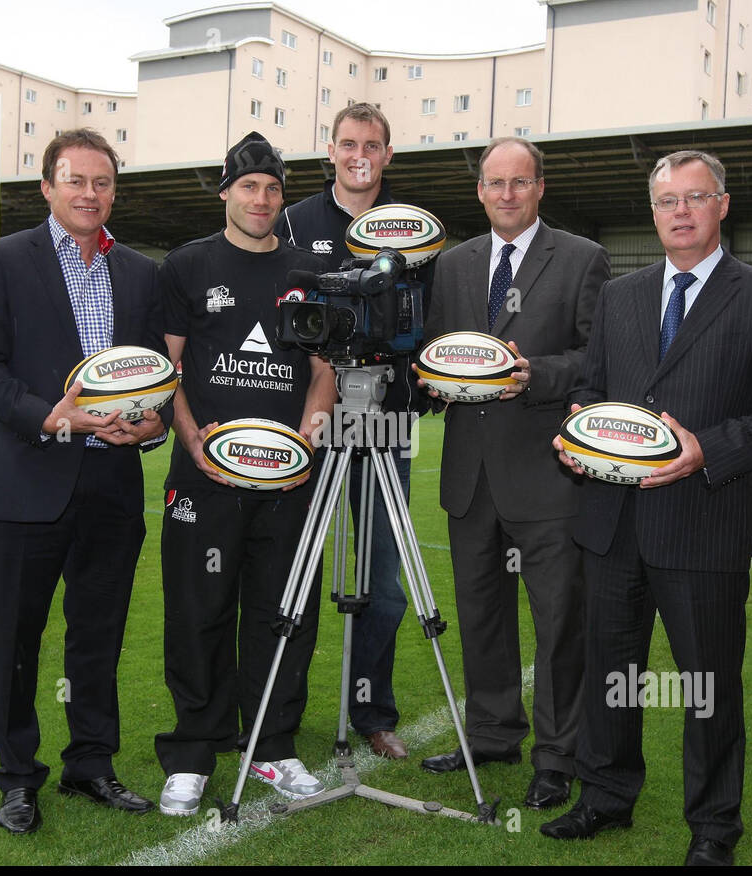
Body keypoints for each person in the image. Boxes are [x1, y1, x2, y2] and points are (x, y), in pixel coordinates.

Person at [540, 150, 752, 865]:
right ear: (653, 211)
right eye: (667, 200)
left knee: (709, 686)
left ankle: (715, 829)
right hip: (612, 522)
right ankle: (603, 795)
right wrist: (579, 433)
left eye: (695, 197)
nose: (680, 212)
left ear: (723, 205)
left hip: (704, 523)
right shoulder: (623, 297)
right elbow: (594, 390)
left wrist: (707, 451)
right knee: (608, 673)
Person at [0, 128, 171, 835]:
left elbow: (155, 383)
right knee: (16, 642)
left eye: (102, 183)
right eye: (75, 181)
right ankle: (18, 778)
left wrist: (155, 423)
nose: (90, 194)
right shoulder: (1, 259)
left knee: (98, 636)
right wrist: (52, 419)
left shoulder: (141, 273)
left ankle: (92, 764)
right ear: (47, 187)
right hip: (27, 487)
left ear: (115, 191)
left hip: (112, 489)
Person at [417, 137, 610, 812]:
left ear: (539, 188)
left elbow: (597, 358)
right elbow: (438, 352)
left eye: (519, 183)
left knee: (558, 620)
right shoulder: (453, 265)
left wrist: (538, 375)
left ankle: (557, 755)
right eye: (494, 183)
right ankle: (493, 732)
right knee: (481, 614)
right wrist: (434, 383)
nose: (506, 194)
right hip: (470, 475)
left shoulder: (582, 258)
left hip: (548, 475)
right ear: (480, 191)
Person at [154, 132, 338, 817]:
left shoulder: (309, 274)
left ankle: (272, 746)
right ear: (225, 192)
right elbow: (168, 368)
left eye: (272, 188)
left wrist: (307, 442)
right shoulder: (187, 266)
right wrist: (193, 437)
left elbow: (323, 372)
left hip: (288, 482)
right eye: (248, 187)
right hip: (204, 477)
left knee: (281, 612)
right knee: (199, 610)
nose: (261, 199)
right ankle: (193, 753)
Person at [274, 103, 423, 761]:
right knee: (294, 569)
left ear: (387, 154)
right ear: (330, 150)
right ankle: (278, 713)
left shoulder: (413, 230)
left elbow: (428, 328)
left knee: (384, 580)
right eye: (348, 143)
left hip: (386, 418)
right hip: (309, 420)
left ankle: (372, 711)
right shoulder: (294, 222)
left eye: (373, 144)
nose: (360, 153)